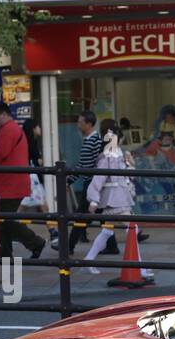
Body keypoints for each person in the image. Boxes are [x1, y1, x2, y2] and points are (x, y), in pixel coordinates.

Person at [83, 121, 154, 283]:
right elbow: (99, 177)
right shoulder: (108, 155)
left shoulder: (118, 154)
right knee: (132, 228)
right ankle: (140, 268)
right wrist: (93, 199)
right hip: (116, 199)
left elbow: (128, 176)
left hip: (117, 198)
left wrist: (130, 163)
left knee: (108, 231)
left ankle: (89, 259)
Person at [0, 100, 45, 261]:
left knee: (4, 220)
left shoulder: (9, 130)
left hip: (10, 183)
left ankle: (35, 242)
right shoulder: (12, 129)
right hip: (11, 182)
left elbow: (0, 153)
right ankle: (6, 252)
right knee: (3, 220)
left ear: (4, 114)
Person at [58, 111, 108, 255]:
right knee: (101, 215)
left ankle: (68, 246)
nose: (78, 125)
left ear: (88, 124)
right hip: (95, 183)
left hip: (91, 184)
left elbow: (83, 166)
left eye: (80, 122)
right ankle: (111, 245)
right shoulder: (94, 139)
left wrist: (69, 180)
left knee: (81, 216)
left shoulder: (91, 141)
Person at [19, 118, 51, 244]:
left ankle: (53, 232)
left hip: (31, 178)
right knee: (26, 207)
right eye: (38, 126)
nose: (40, 129)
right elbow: (37, 161)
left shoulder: (26, 141)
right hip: (32, 179)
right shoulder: (31, 143)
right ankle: (53, 232)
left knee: (42, 206)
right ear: (33, 128)